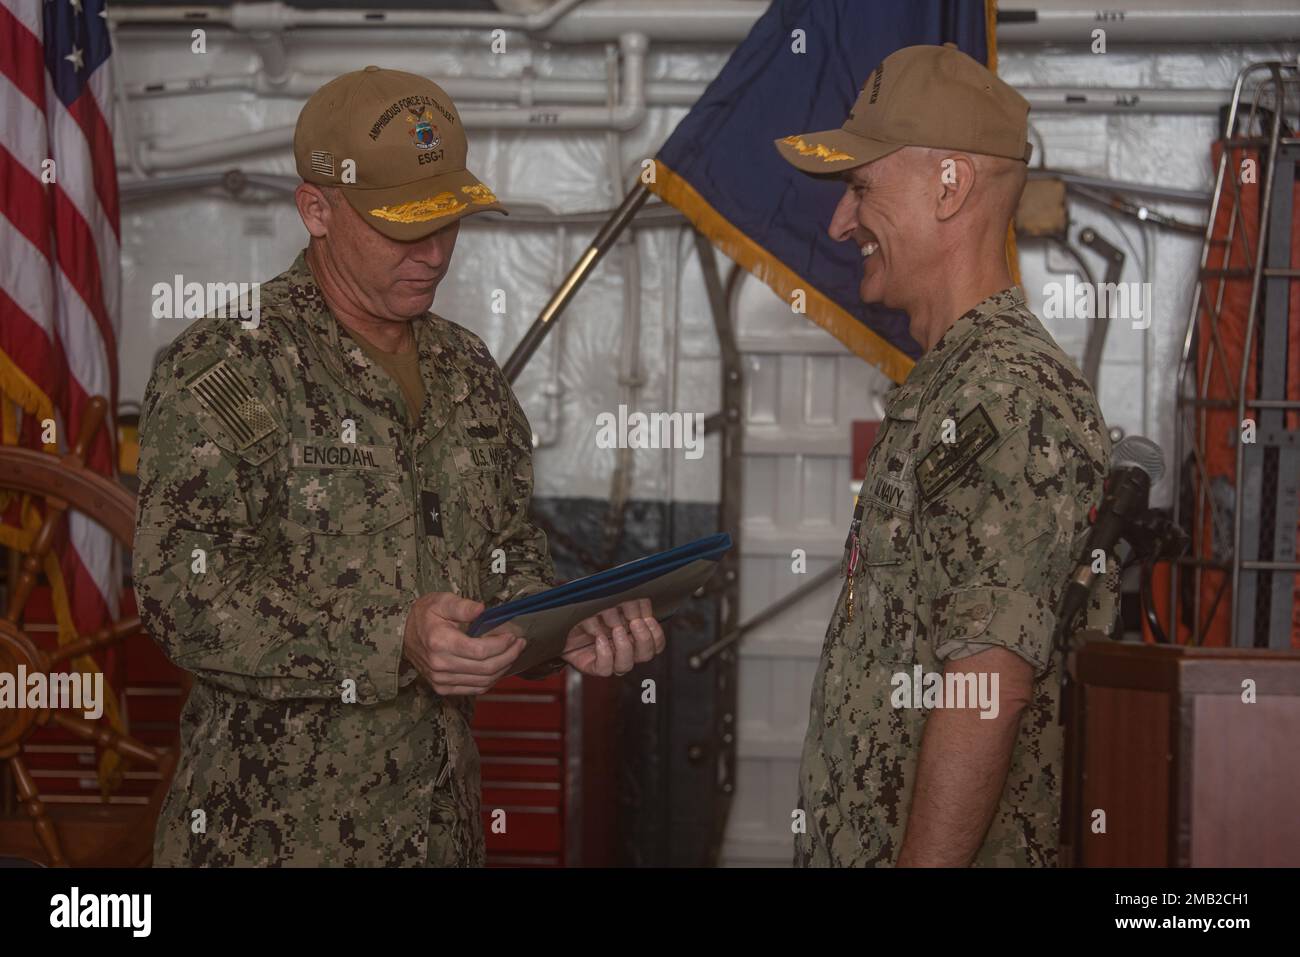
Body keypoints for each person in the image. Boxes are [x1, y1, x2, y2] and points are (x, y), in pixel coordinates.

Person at [133, 67, 665, 867]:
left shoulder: (469, 371)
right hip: (268, 841)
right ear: (317, 208)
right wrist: (391, 637)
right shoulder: (229, 365)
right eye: (401, 227)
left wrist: (563, 628)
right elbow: (182, 594)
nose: (434, 253)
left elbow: (507, 553)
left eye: (448, 222)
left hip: (438, 836)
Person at [774, 44, 1119, 867]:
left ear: (950, 185)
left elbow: (984, 688)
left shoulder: (1006, 395)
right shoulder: (953, 384)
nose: (839, 223)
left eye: (860, 189)